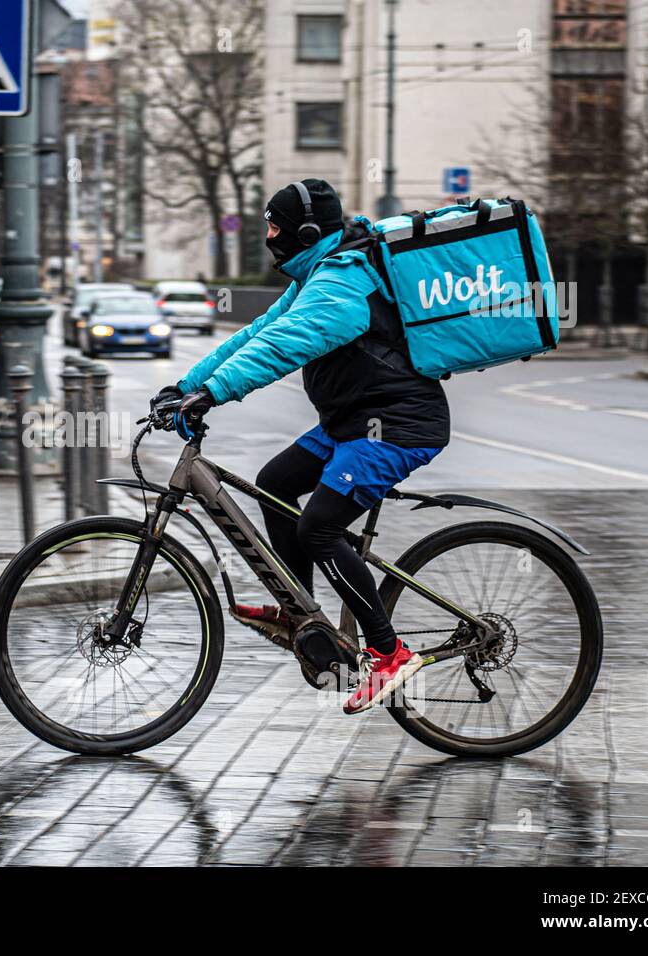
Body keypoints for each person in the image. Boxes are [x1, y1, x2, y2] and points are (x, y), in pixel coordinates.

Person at [153, 179, 449, 714]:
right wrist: (188, 384)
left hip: (396, 424)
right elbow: (258, 332)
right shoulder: (318, 271)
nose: (269, 236)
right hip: (352, 421)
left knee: (320, 526)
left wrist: (213, 394)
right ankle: (300, 612)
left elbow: (283, 346)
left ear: (304, 231)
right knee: (276, 483)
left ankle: (390, 653)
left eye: (274, 226)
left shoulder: (341, 283)